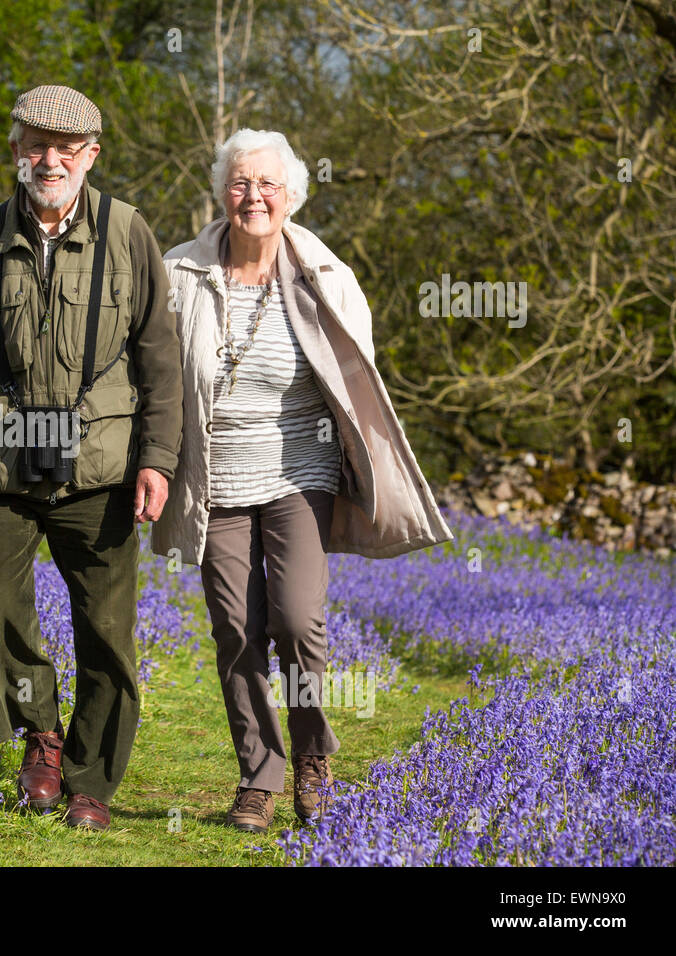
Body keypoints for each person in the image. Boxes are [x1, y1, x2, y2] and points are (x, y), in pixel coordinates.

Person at [151, 128, 453, 833]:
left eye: (268, 185)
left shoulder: (328, 276)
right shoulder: (181, 274)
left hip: (301, 471)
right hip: (216, 477)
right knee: (236, 627)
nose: (252, 196)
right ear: (221, 191)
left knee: (296, 619)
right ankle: (258, 776)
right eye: (239, 183)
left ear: (291, 194)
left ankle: (313, 755)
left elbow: (358, 385)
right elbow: (158, 379)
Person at [0, 85, 183, 831]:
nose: (50, 160)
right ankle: (41, 734)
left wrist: (158, 459)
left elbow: (162, 362)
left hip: (100, 467)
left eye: (67, 149)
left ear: (92, 156)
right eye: (36, 145)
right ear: (15, 150)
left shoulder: (129, 235)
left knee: (106, 629)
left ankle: (91, 780)